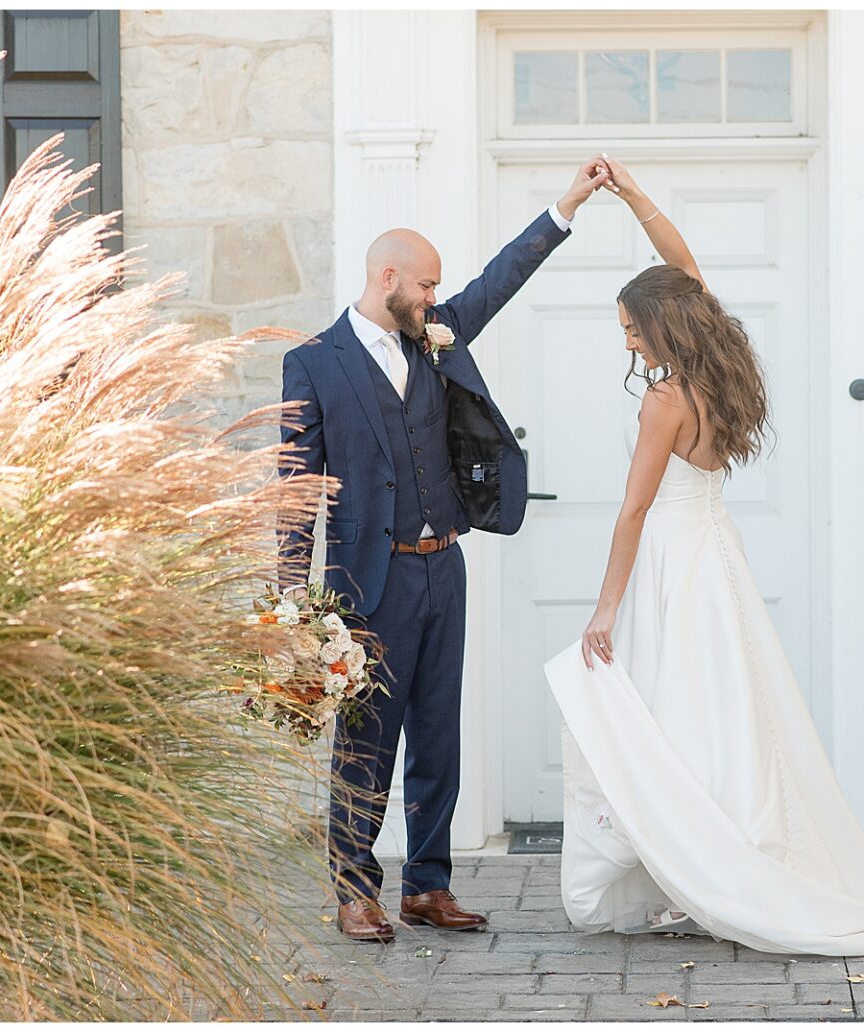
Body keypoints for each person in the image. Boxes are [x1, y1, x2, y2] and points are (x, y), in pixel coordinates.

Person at [543, 155, 864, 954]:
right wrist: (635, 193)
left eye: (632, 330)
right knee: (723, 709)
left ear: (659, 330)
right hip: (718, 555)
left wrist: (606, 606)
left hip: (673, 561)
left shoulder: (664, 398)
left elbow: (634, 510)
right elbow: (683, 271)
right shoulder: (716, 373)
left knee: (673, 713)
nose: (629, 343)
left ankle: (697, 868)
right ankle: (707, 860)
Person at [281, 157, 610, 943]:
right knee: (365, 740)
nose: (435, 297)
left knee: (438, 732)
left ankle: (427, 886)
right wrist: (291, 600)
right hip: (367, 581)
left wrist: (564, 206)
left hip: (444, 567)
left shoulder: (434, 338)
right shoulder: (313, 364)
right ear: (387, 275)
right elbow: (295, 490)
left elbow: (500, 281)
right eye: (425, 285)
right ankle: (355, 890)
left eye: (436, 289)